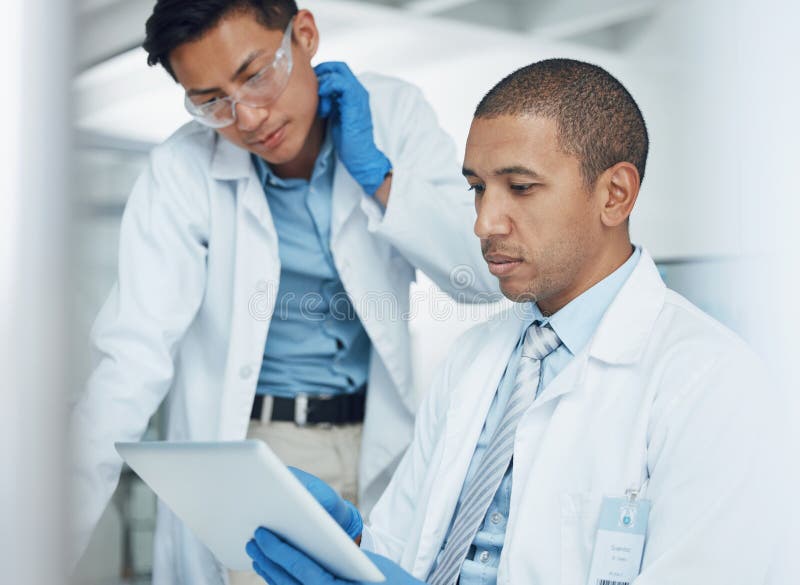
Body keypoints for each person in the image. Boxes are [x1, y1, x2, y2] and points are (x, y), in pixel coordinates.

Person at [245, 58, 789, 585]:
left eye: (521, 187)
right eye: (478, 188)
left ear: (615, 195)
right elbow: (401, 550)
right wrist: (351, 551)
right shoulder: (473, 359)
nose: (483, 222)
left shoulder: (712, 383)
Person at [69, 1, 496, 583]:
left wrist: (382, 179)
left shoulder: (394, 114)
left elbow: (479, 277)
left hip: (383, 446)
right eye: (212, 101)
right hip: (262, 455)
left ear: (304, 34)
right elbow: (131, 359)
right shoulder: (181, 170)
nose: (245, 117)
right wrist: (38, 542)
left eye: (255, 75)